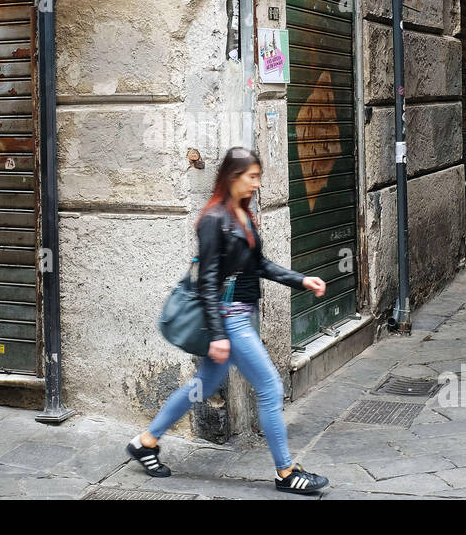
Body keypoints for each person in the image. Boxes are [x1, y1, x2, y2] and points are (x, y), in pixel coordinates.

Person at [125, 147, 331, 494]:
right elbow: (207, 281)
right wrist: (219, 335)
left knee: (201, 387)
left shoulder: (241, 214)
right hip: (229, 319)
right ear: (232, 177)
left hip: (239, 317)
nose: (257, 183)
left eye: (258, 176)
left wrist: (300, 279)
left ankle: (145, 442)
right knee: (269, 388)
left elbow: (259, 265)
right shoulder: (213, 220)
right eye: (252, 176)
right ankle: (286, 472)